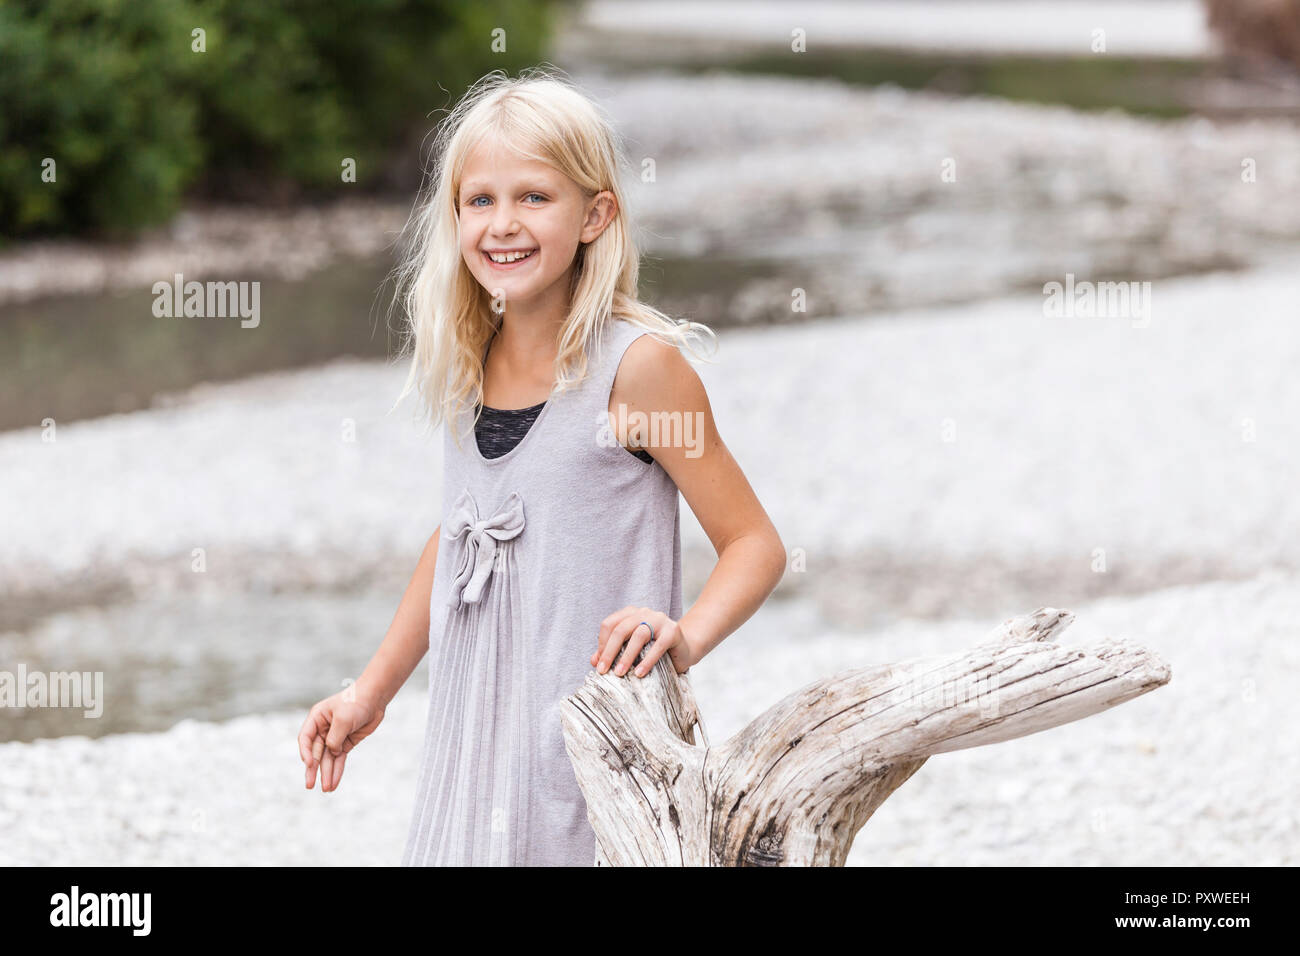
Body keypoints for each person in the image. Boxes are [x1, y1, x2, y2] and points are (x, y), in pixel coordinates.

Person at [296, 66, 786, 866]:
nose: (503, 224)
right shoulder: (466, 364)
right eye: (480, 200)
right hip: (471, 746)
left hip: (591, 749)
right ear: (453, 217)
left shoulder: (639, 372)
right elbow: (457, 542)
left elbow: (755, 545)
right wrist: (368, 693)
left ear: (595, 215)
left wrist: (684, 638)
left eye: (534, 197)